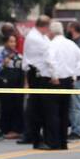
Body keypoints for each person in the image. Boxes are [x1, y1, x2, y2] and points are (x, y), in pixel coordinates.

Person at [45, 21, 80, 151]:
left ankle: (54, 142)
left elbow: (49, 61)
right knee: (64, 112)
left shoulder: (52, 45)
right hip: (68, 81)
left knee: (53, 113)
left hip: (56, 82)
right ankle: (63, 142)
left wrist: (54, 76)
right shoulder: (71, 44)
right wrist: (74, 74)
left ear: (51, 32)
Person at [21, 15, 53, 146]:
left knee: (39, 107)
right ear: (44, 26)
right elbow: (49, 55)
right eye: (48, 27)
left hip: (39, 74)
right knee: (38, 108)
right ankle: (35, 137)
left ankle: (36, 136)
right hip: (37, 75)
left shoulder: (41, 36)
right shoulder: (35, 38)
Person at [0, 30, 25, 139]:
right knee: (6, 107)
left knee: (17, 107)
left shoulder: (18, 55)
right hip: (5, 83)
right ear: (5, 43)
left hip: (17, 83)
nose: (13, 44)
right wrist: (2, 64)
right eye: (10, 42)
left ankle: (17, 129)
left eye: (14, 42)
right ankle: (5, 129)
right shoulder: (0, 55)